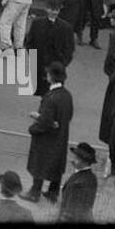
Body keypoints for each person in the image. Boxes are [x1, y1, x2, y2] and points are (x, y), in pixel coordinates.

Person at [23, 61, 73, 204]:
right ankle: (53, 192)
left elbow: (45, 122)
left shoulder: (51, 97)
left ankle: (34, 193)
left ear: (51, 76)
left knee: (39, 164)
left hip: (46, 139)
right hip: (60, 136)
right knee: (56, 164)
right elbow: (67, 116)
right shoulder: (66, 95)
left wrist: (33, 128)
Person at [24, 0, 75, 96]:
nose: (54, 12)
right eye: (52, 9)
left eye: (56, 10)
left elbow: (69, 48)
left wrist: (63, 63)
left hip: (56, 65)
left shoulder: (66, 27)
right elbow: (30, 42)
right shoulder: (37, 24)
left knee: (54, 92)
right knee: (42, 92)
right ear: (47, 9)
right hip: (40, 64)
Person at [57, 142, 100, 224]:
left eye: (77, 159)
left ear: (86, 162)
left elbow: (71, 213)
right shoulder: (91, 177)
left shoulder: (78, 183)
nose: (72, 160)